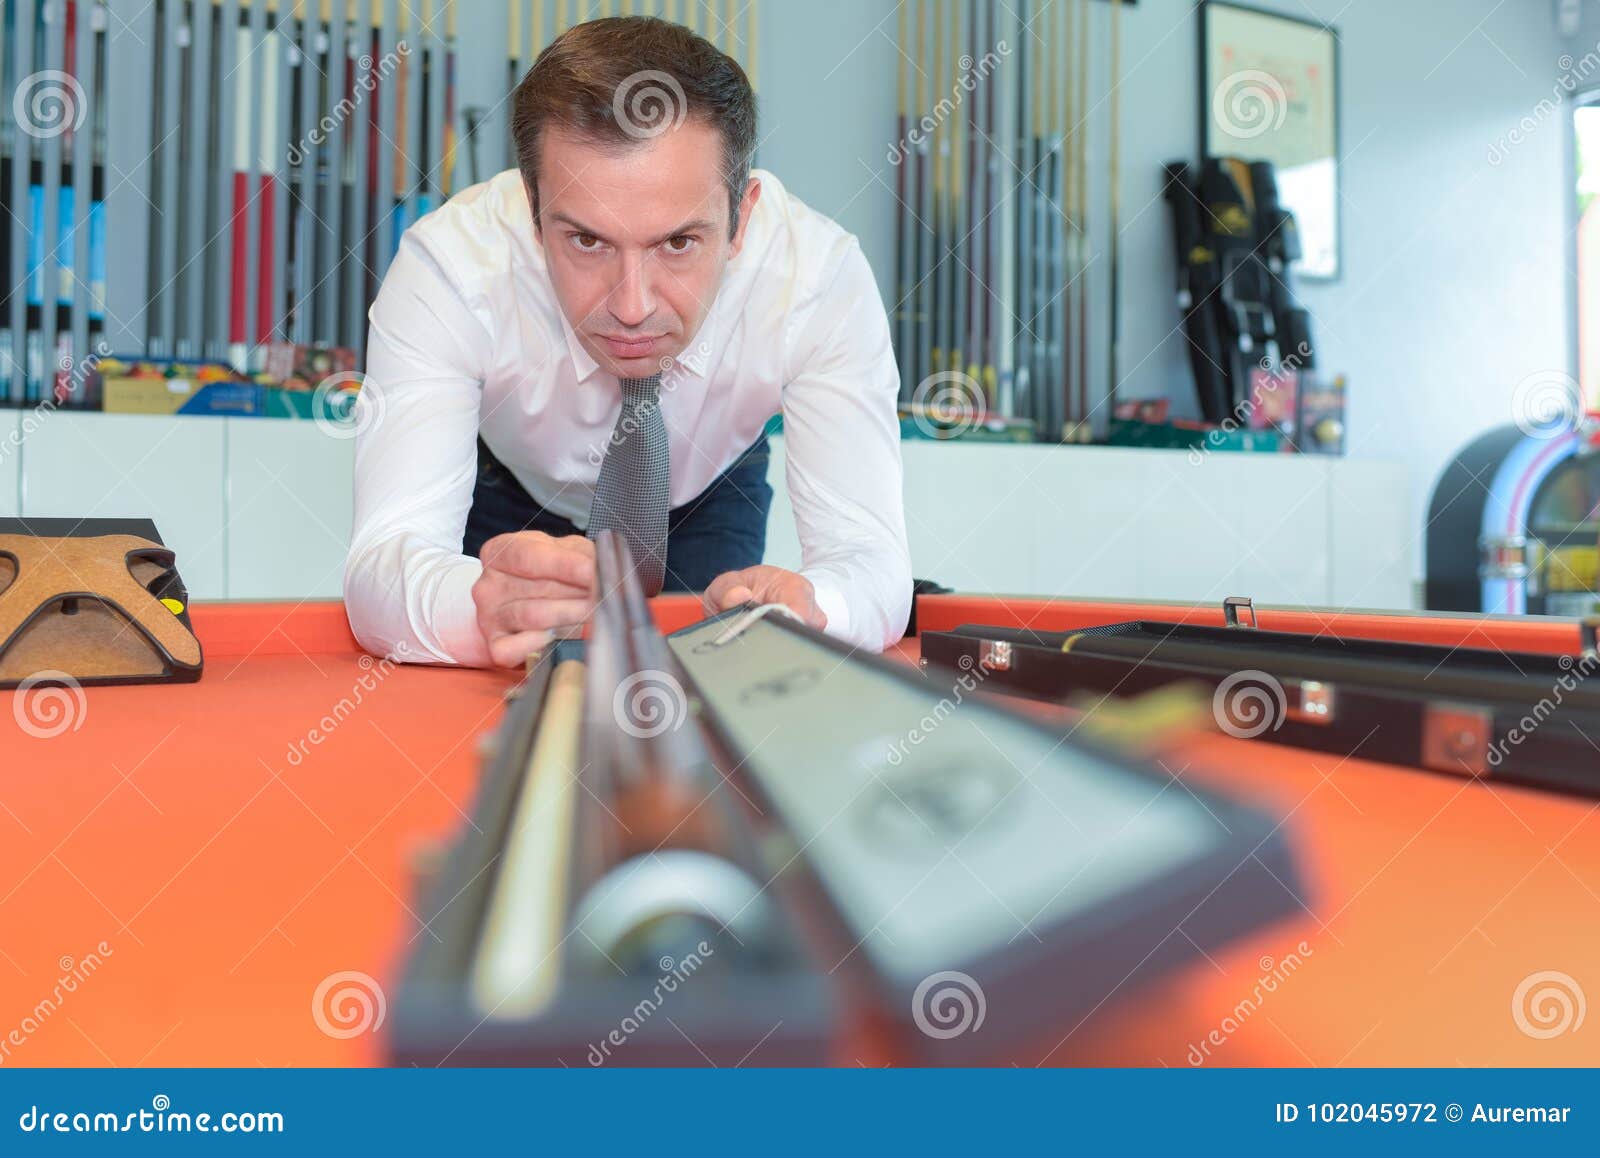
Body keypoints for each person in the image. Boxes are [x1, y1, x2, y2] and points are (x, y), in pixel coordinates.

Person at [344, 15, 910, 667]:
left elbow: (872, 564)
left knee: (707, 690)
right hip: (512, 492)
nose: (632, 307)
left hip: (706, 488)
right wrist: (470, 602)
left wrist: (815, 609)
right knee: (500, 699)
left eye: (678, 243)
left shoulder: (818, 280)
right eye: (586, 240)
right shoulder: (449, 267)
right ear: (531, 209)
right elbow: (380, 570)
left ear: (742, 217)